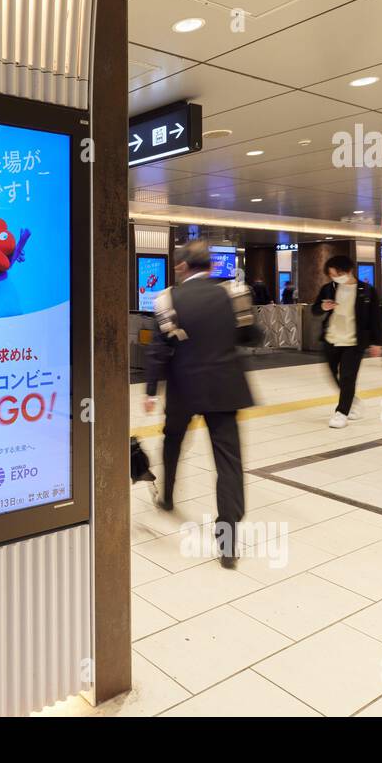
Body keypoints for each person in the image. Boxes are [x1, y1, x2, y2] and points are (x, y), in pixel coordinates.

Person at [144, 240, 256, 569]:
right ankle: (228, 544)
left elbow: (159, 351)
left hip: (184, 387)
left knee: (174, 441)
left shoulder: (167, 299)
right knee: (228, 462)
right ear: (209, 266)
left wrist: (151, 390)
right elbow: (252, 337)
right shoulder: (233, 295)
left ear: (182, 266)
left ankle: (167, 496)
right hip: (225, 387)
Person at [311, 255, 382, 429]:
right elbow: (315, 310)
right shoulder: (328, 289)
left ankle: (341, 412)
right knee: (333, 375)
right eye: (331, 275)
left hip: (354, 342)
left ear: (348, 271)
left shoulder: (367, 290)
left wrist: (377, 342)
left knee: (347, 376)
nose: (334, 277)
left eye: (336, 273)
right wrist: (322, 307)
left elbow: (376, 318)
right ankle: (352, 400)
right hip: (331, 339)